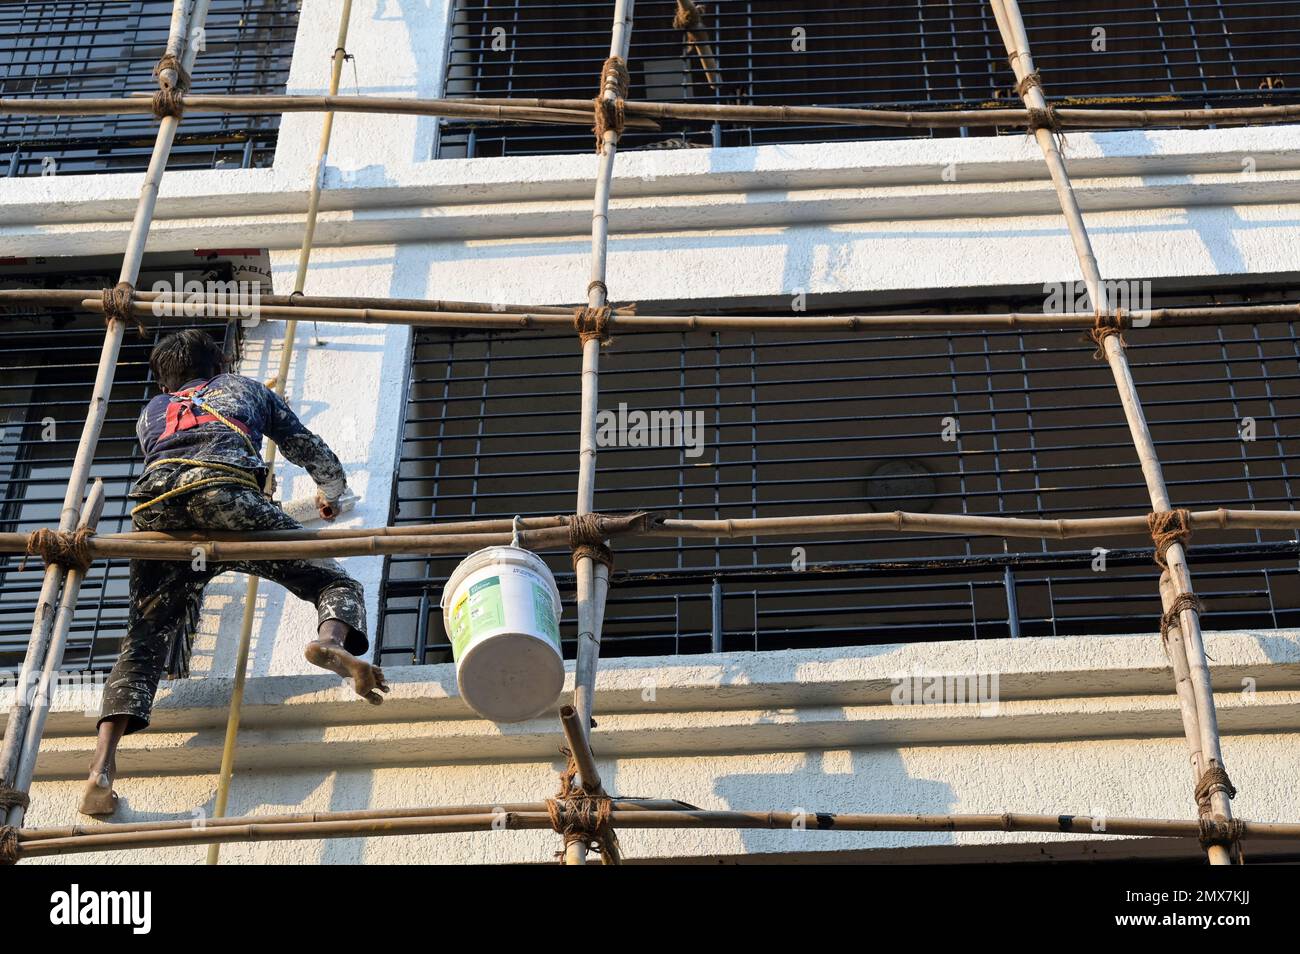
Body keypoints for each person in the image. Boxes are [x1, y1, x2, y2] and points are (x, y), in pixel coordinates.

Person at [81, 329, 388, 816]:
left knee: (142, 642)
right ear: (221, 363)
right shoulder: (244, 388)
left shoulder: (150, 412)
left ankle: (101, 768)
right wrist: (332, 491)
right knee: (334, 580)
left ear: (164, 380)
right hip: (226, 500)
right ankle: (329, 643)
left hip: (157, 516)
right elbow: (302, 445)